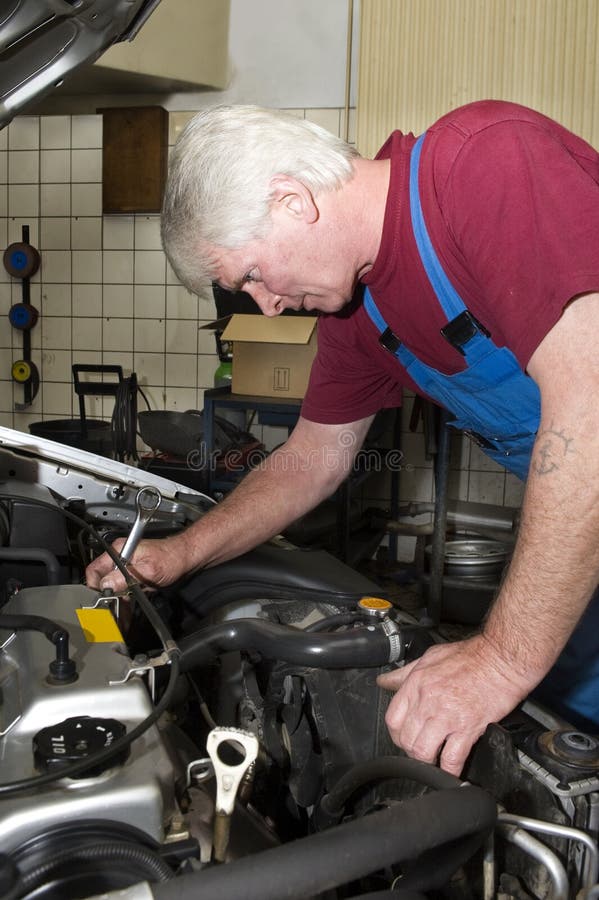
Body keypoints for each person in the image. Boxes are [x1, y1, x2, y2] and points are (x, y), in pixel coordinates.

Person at [86, 100, 599, 776]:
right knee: (562, 745)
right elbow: (308, 462)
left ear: (291, 200)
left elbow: (589, 410)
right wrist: (180, 554)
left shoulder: (484, 163)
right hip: (580, 537)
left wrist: (500, 657)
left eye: (250, 276)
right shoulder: (360, 312)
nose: (264, 305)